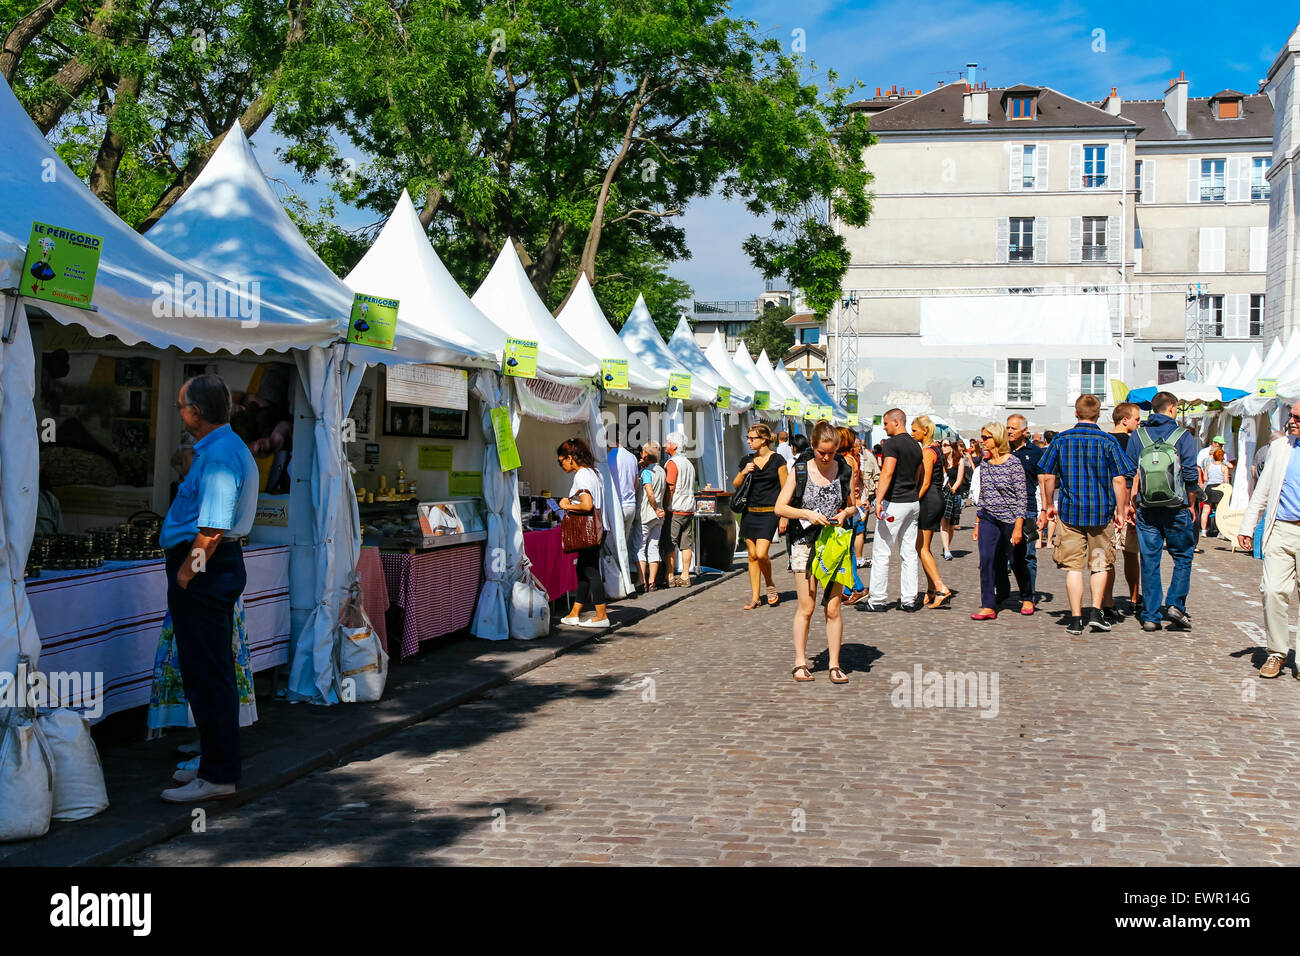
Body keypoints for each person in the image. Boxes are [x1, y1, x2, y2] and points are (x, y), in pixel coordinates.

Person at [158, 374, 258, 804]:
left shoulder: (219, 455)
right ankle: (212, 761)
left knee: (208, 674)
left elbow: (213, 528)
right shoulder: (223, 448)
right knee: (207, 672)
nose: (181, 413)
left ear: (195, 413)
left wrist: (187, 573)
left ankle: (217, 774)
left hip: (206, 570)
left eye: (182, 406)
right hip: (212, 567)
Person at [1037, 394, 1131, 635]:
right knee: (1099, 565)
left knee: (1074, 567)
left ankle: (1076, 618)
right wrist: (1121, 511)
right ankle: (1096, 613)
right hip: (1101, 514)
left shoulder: (1060, 440)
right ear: (1098, 414)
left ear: (1076, 414)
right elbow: (1120, 480)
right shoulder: (1108, 441)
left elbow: (1047, 475)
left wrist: (1048, 504)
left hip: (1070, 513)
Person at [775, 421, 856, 684]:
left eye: (831, 452)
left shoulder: (844, 469)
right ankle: (800, 663)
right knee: (806, 606)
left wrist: (845, 513)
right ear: (813, 446)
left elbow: (854, 506)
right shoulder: (799, 469)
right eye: (822, 452)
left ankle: (834, 664)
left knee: (833, 608)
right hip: (804, 541)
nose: (826, 457)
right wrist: (807, 513)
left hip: (833, 543)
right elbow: (780, 508)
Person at [1123, 391, 1200, 633]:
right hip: (1176, 506)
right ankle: (1175, 604)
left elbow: (1128, 473)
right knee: (1183, 556)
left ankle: (1150, 616)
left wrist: (1128, 504)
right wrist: (1191, 504)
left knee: (1150, 560)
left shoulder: (1139, 435)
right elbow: (1190, 474)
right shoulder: (1183, 436)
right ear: (1172, 408)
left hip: (1147, 508)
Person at [1239, 410, 1300, 677]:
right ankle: (1277, 653)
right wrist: (1247, 526)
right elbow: (1263, 488)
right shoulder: (1280, 447)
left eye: (1298, 417)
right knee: (1272, 591)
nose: (1291, 421)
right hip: (1281, 529)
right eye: (1291, 415)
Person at [970, 422, 1030, 619]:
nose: (982, 441)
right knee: (986, 560)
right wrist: (978, 523)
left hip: (1011, 519)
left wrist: (1018, 527)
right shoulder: (984, 464)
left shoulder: (1013, 463)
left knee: (1016, 560)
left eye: (985, 437)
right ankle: (988, 604)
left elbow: (1022, 497)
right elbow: (983, 495)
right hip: (989, 517)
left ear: (996, 438)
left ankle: (1027, 595)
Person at [866, 408, 923, 611]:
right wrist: (912, 492)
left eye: (886, 423)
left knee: (882, 552)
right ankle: (908, 599)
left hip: (895, 502)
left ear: (896, 422)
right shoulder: (916, 445)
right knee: (909, 553)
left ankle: (877, 600)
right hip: (912, 502)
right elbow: (918, 473)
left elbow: (887, 472)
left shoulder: (892, 444)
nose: (884, 427)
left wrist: (879, 499)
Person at [556, 437, 610, 628]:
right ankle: (574, 613)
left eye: (561, 460)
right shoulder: (595, 473)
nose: (561, 464)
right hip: (599, 528)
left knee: (590, 570)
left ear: (570, 457)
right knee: (584, 569)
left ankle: (601, 615)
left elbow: (587, 505)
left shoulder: (581, 475)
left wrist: (567, 504)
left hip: (588, 530)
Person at [734, 422, 787, 609]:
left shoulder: (778, 460)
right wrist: (744, 471)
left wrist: (784, 516)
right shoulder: (747, 460)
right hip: (750, 512)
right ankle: (755, 597)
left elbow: (785, 488)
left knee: (761, 553)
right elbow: (736, 484)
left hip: (769, 512)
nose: (748, 441)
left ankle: (770, 584)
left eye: (752, 438)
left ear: (763, 440)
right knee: (751, 556)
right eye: (748, 438)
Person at [1101, 402, 1143, 621]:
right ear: (1125, 420)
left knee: (1108, 557)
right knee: (1130, 554)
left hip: (1106, 504)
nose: (1139, 422)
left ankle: (1108, 602)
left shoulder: (1104, 440)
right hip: (1126, 505)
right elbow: (1133, 476)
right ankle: (1135, 598)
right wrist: (1130, 505)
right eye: (1137, 418)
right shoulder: (1133, 442)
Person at [911, 415, 951, 608]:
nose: (912, 434)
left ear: (924, 431)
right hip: (936, 497)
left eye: (915, 430)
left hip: (929, 499)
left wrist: (914, 500)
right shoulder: (937, 448)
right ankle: (931, 588)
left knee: (922, 548)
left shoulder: (927, 451)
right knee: (922, 547)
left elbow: (926, 481)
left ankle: (940, 587)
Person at [1005, 414, 1043, 599]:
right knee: (1003, 553)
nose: (1009, 431)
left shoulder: (1035, 452)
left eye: (1013, 428)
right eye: (1008, 428)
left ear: (1025, 431)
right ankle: (1003, 591)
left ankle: (1029, 594)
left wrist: (1044, 509)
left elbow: (1043, 481)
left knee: (1028, 554)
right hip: (1004, 508)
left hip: (1028, 507)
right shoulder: (1003, 450)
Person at [663, 431, 696, 587]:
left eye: (668, 443)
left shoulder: (672, 463)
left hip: (675, 507)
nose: (665, 445)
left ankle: (670, 576)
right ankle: (685, 575)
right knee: (686, 543)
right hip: (688, 507)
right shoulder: (689, 463)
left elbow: (670, 486)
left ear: (674, 446)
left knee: (670, 543)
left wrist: (665, 504)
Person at [632, 442, 666, 592]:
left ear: (646, 455)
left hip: (647, 513)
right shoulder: (661, 470)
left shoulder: (647, 473)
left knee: (639, 547)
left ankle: (642, 580)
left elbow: (649, 492)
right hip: (658, 517)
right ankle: (652, 580)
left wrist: (656, 508)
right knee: (653, 546)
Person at [607, 427, 639, 580]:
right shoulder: (632, 457)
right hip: (630, 504)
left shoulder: (608, 457)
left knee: (614, 545)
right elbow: (635, 483)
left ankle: (619, 580)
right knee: (623, 543)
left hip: (616, 505)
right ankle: (625, 578)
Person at [938, 439, 966, 561]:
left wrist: (953, 490)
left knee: (952, 523)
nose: (943, 447)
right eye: (941, 445)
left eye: (945, 445)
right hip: (942, 494)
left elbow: (960, 478)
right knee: (944, 521)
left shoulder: (959, 460)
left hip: (954, 494)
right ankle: (947, 549)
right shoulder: (941, 462)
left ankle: (946, 547)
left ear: (951, 447)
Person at [1199, 438, 1233, 537]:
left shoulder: (1208, 465)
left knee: (1206, 510)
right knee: (1220, 511)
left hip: (1209, 487)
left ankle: (1204, 531)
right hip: (1219, 488)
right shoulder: (1224, 466)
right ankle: (1221, 532)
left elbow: (1205, 478)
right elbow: (1226, 480)